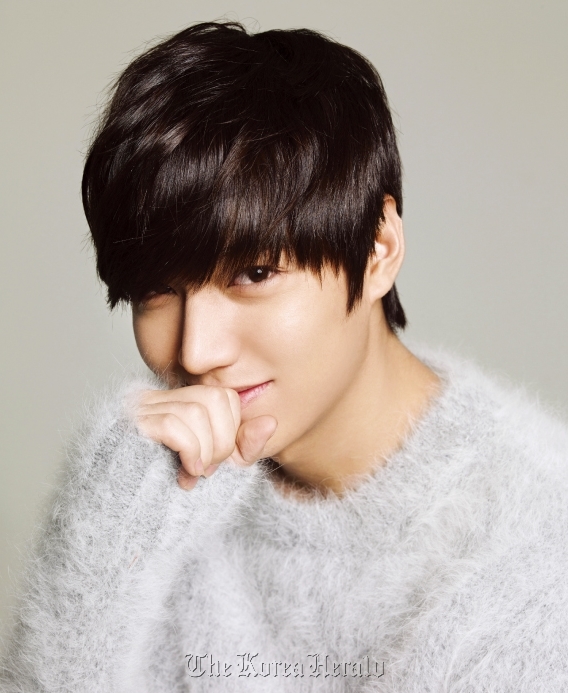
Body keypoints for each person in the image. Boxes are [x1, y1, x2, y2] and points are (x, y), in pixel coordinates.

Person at [1, 20, 568, 692]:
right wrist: (104, 544)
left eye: (255, 273)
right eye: (157, 291)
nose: (197, 350)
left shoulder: (535, 549)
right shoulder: (141, 489)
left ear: (378, 249)